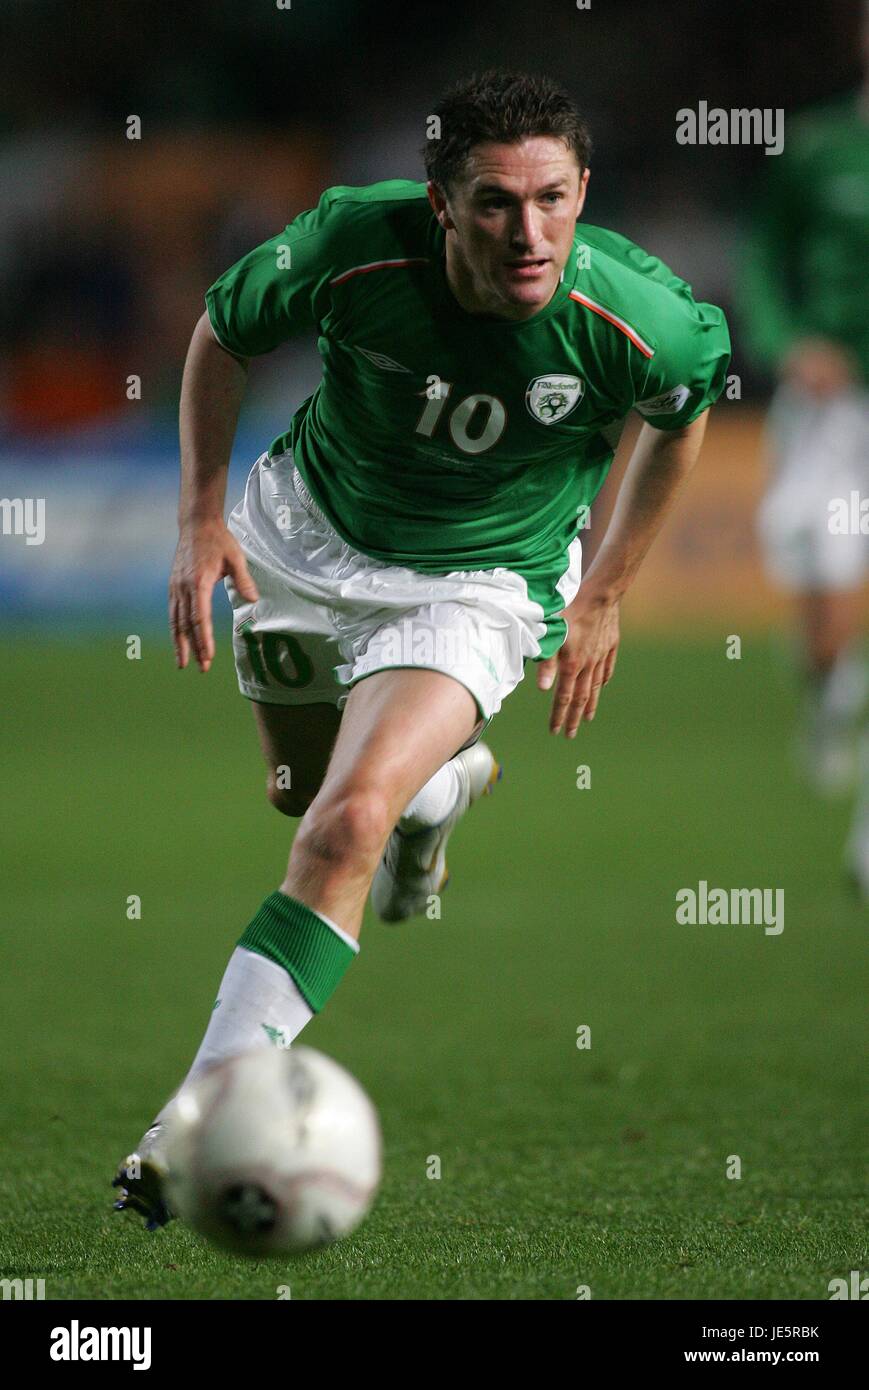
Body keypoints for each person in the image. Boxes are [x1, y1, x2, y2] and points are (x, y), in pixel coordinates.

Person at [114, 68, 730, 1228]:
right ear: (439, 204)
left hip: (478, 586)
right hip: (301, 540)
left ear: (582, 189)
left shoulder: (636, 315)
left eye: (552, 197)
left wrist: (603, 590)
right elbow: (219, 331)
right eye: (494, 203)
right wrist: (199, 513)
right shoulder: (352, 242)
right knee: (296, 793)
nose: (529, 232)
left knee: (340, 823)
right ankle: (440, 792)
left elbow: (682, 412)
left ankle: (190, 1120)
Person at [739, 23, 869, 887]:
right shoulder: (819, 150)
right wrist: (787, 342)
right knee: (822, 614)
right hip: (826, 412)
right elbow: (760, 256)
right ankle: (825, 696)